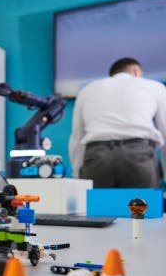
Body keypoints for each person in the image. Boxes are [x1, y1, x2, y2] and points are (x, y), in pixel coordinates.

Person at [69, 57, 166, 188]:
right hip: (138, 156)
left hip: (97, 158)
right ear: (136, 72)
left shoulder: (87, 90)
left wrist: (76, 176)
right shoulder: (154, 86)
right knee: (140, 207)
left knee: (99, 207)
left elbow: (77, 137)